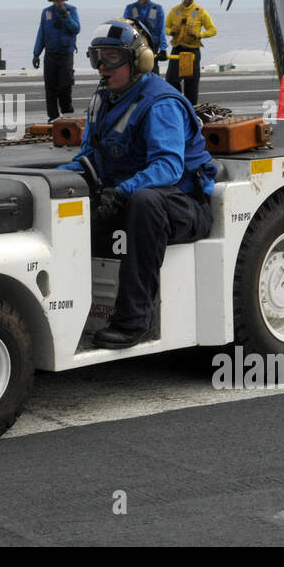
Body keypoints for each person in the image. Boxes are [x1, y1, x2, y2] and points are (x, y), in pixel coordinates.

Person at [59, 19, 216, 348]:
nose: (102, 67)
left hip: (182, 206)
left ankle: (134, 320)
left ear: (139, 61)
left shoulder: (161, 104)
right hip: (126, 200)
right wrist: (58, 180)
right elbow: (89, 157)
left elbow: (169, 166)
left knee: (145, 202)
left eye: (112, 58)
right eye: (97, 57)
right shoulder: (102, 101)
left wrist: (123, 190)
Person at [33, 0, 81, 120]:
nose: (58, 1)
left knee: (65, 85)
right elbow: (41, 33)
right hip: (50, 55)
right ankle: (53, 116)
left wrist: (65, 16)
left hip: (66, 54)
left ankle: (67, 114)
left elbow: (76, 29)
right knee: (50, 87)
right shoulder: (46, 12)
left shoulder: (72, 10)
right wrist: (36, 53)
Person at [165, 0, 217, 104]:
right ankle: (177, 102)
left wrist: (200, 34)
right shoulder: (175, 11)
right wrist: (172, 31)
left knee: (191, 82)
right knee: (171, 79)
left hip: (192, 51)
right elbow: (165, 28)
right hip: (177, 50)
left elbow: (212, 30)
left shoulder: (200, 12)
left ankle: (191, 107)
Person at [122, 0, 168, 75]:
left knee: (153, 77)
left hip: (152, 50)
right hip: (135, 49)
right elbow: (125, 27)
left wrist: (163, 49)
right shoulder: (130, 8)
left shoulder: (157, 9)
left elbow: (161, 30)